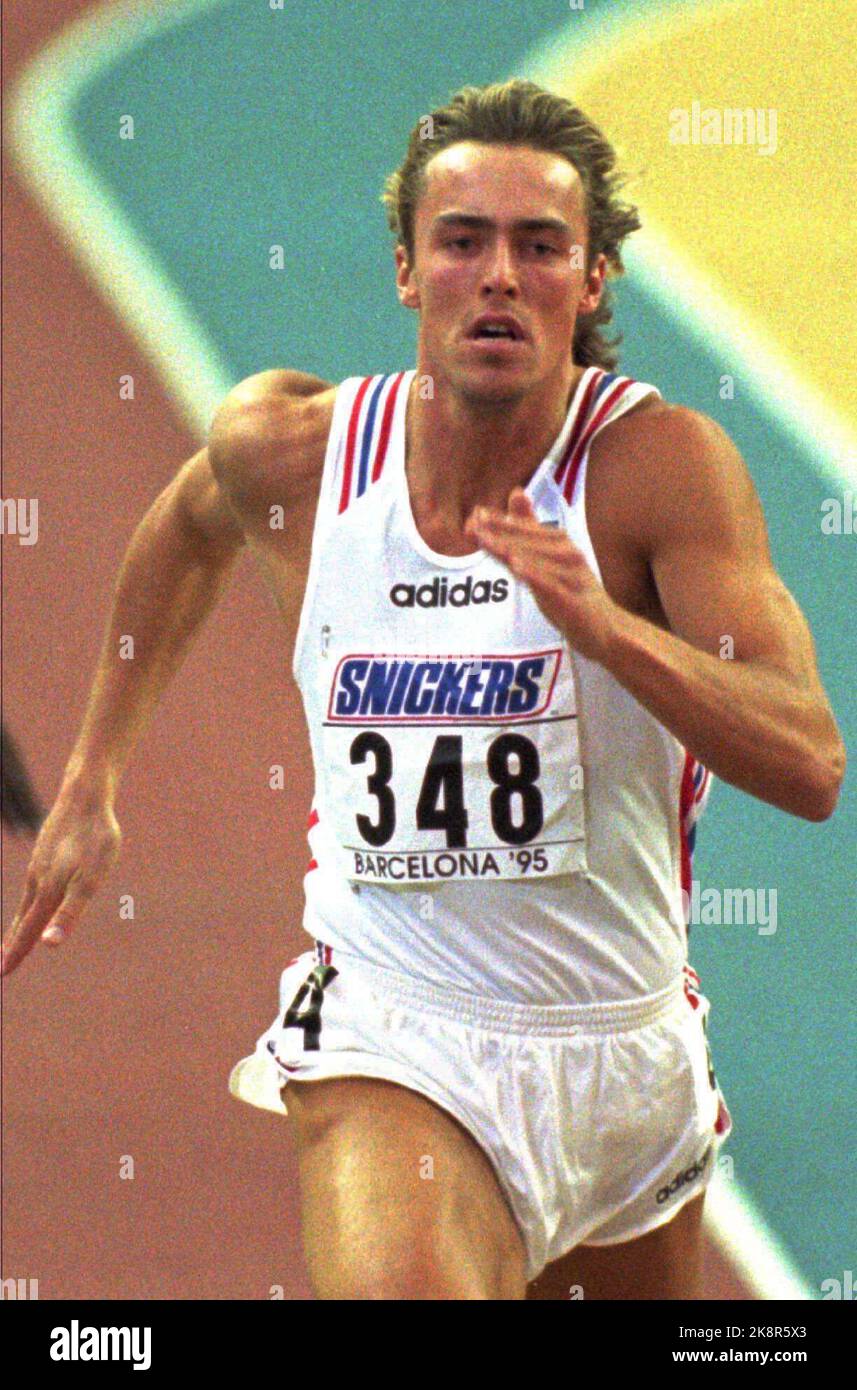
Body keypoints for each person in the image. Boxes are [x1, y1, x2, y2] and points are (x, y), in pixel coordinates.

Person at [2, 80, 845, 1300]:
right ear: (407, 270)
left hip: (622, 1059)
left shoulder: (655, 474)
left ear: (593, 278)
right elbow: (186, 530)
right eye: (461, 241)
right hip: (395, 1024)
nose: (497, 274)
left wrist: (604, 631)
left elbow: (809, 758)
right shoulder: (297, 450)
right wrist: (92, 779)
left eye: (538, 245)